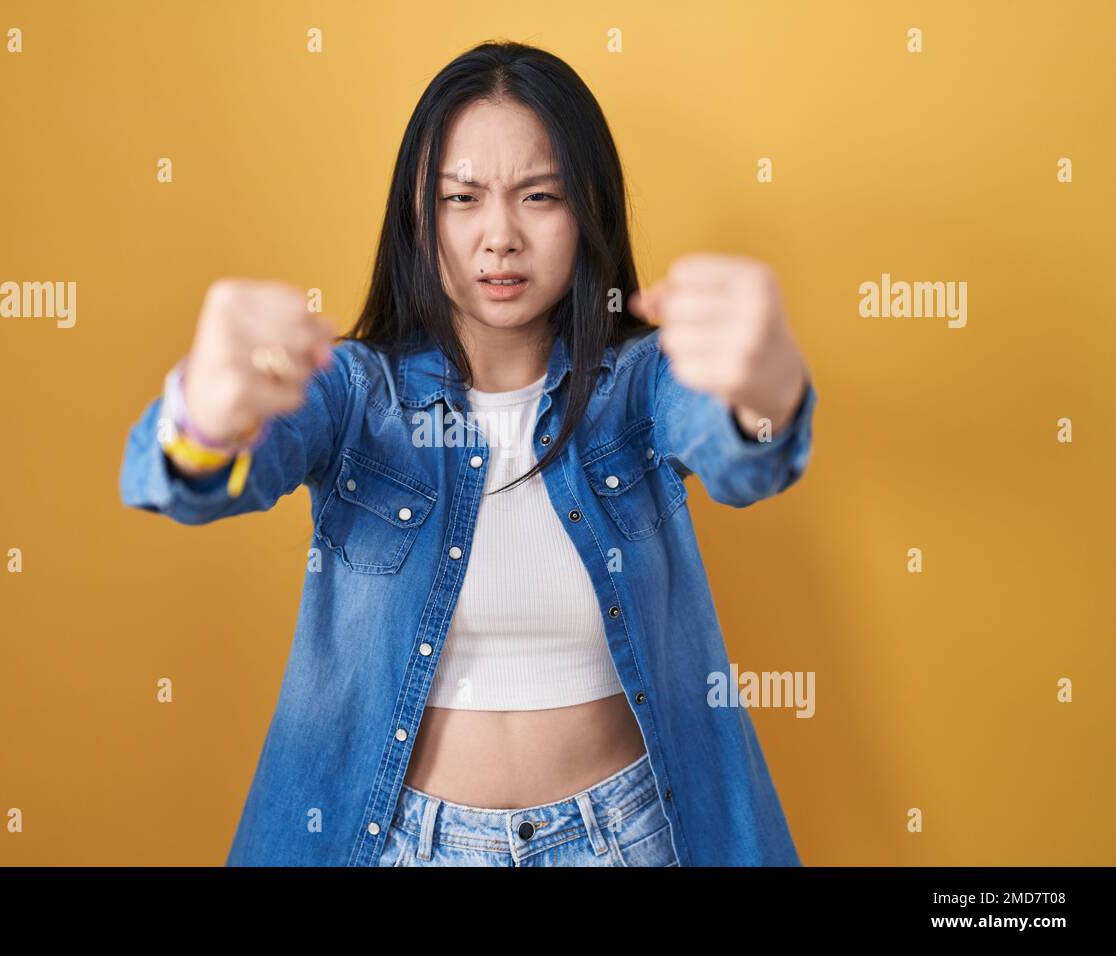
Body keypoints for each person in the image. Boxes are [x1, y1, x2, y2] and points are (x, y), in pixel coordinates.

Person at [119, 40, 817, 867]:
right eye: (462, 198)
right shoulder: (353, 394)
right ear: (419, 215)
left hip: (627, 837)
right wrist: (202, 421)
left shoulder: (644, 383)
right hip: (403, 845)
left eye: (539, 196)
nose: (500, 238)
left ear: (588, 208)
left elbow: (745, 459)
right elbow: (182, 483)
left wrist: (768, 393)